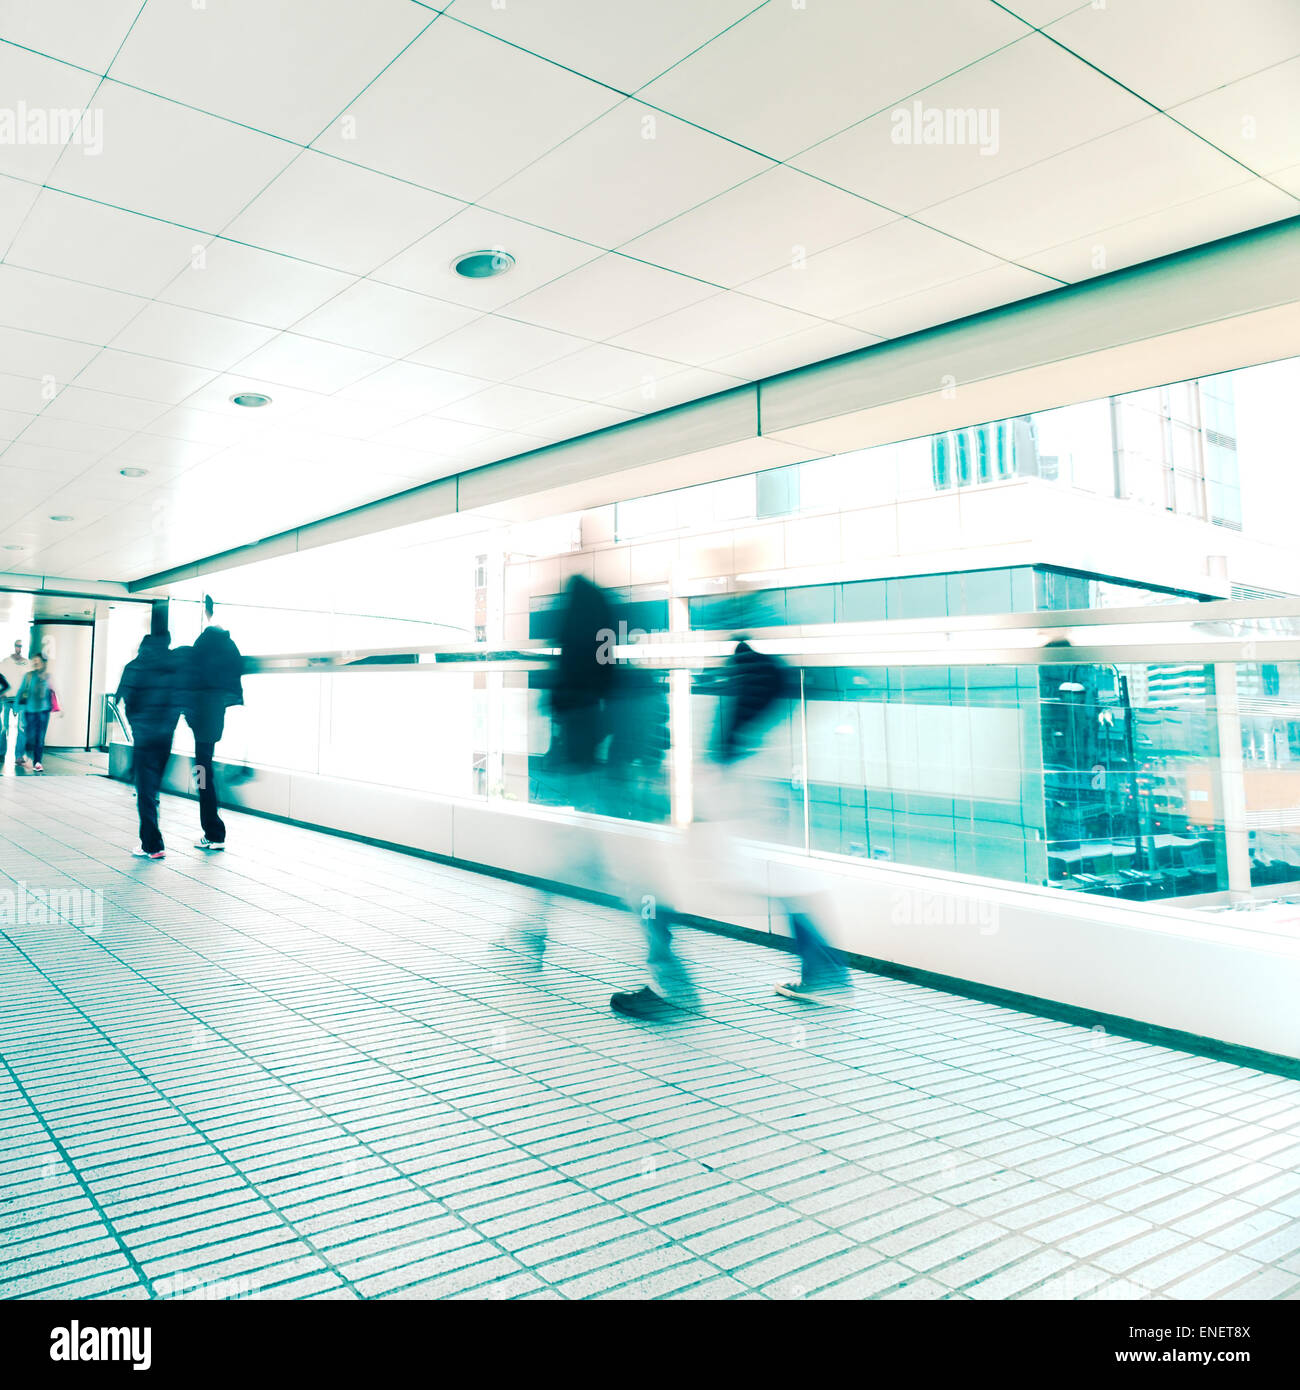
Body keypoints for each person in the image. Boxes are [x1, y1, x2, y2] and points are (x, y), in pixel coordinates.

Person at [701, 638, 851, 1004]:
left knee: (780, 879)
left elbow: (738, 721)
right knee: (785, 880)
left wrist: (720, 760)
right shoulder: (772, 663)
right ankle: (826, 968)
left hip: (752, 779)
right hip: (767, 779)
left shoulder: (751, 663)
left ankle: (825, 970)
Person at [182, 596, 244, 851]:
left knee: (202, 773)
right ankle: (213, 830)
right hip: (217, 714)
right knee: (203, 769)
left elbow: (190, 678)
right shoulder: (229, 646)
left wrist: (187, 712)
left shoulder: (202, 646)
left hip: (203, 716)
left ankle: (214, 833)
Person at [115, 632, 183, 859]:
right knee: (151, 789)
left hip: (144, 736)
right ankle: (152, 840)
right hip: (165, 736)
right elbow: (179, 700)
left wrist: (136, 724)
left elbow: (121, 699)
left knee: (145, 791)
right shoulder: (173, 667)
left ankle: (152, 845)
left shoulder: (134, 666)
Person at [15, 653, 53, 773]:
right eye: (34, 661)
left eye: (38, 661)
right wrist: (16, 707)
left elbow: (53, 691)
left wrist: (59, 706)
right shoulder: (28, 676)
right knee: (30, 735)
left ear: (43, 662)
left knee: (40, 738)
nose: (36, 663)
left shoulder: (47, 676)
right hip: (30, 710)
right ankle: (26, 756)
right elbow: (21, 691)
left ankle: (38, 762)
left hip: (43, 711)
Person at [0, 638, 29, 773]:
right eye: (18, 645)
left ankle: (18, 756)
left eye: (21, 646)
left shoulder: (26, 663)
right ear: (14, 646)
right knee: (3, 728)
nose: (19, 648)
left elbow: (29, 680)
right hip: (6, 699)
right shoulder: (5, 662)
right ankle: (1, 753)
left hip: (21, 700)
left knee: (22, 728)